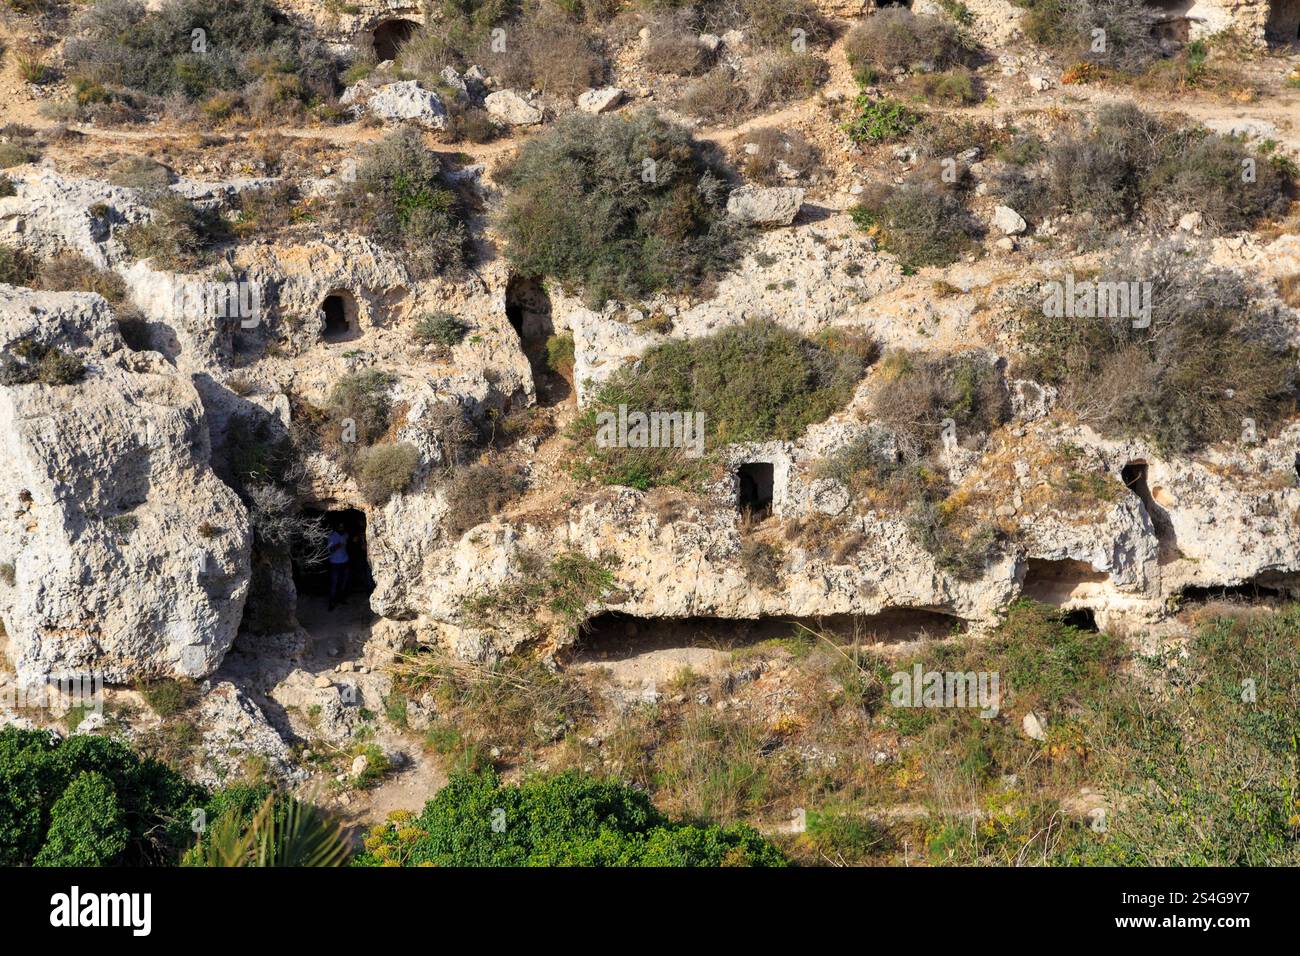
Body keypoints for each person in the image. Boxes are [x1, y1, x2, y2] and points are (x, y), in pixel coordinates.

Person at [326, 521, 350, 611]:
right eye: (340, 526)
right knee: (334, 584)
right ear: (336, 527)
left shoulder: (345, 535)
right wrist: (339, 544)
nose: (341, 528)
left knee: (344, 582)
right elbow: (330, 550)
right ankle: (331, 603)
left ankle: (341, 599)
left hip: (345, 561)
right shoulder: (332, 536)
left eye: (342, 526)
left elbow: (349, 543)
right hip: (335, 563)